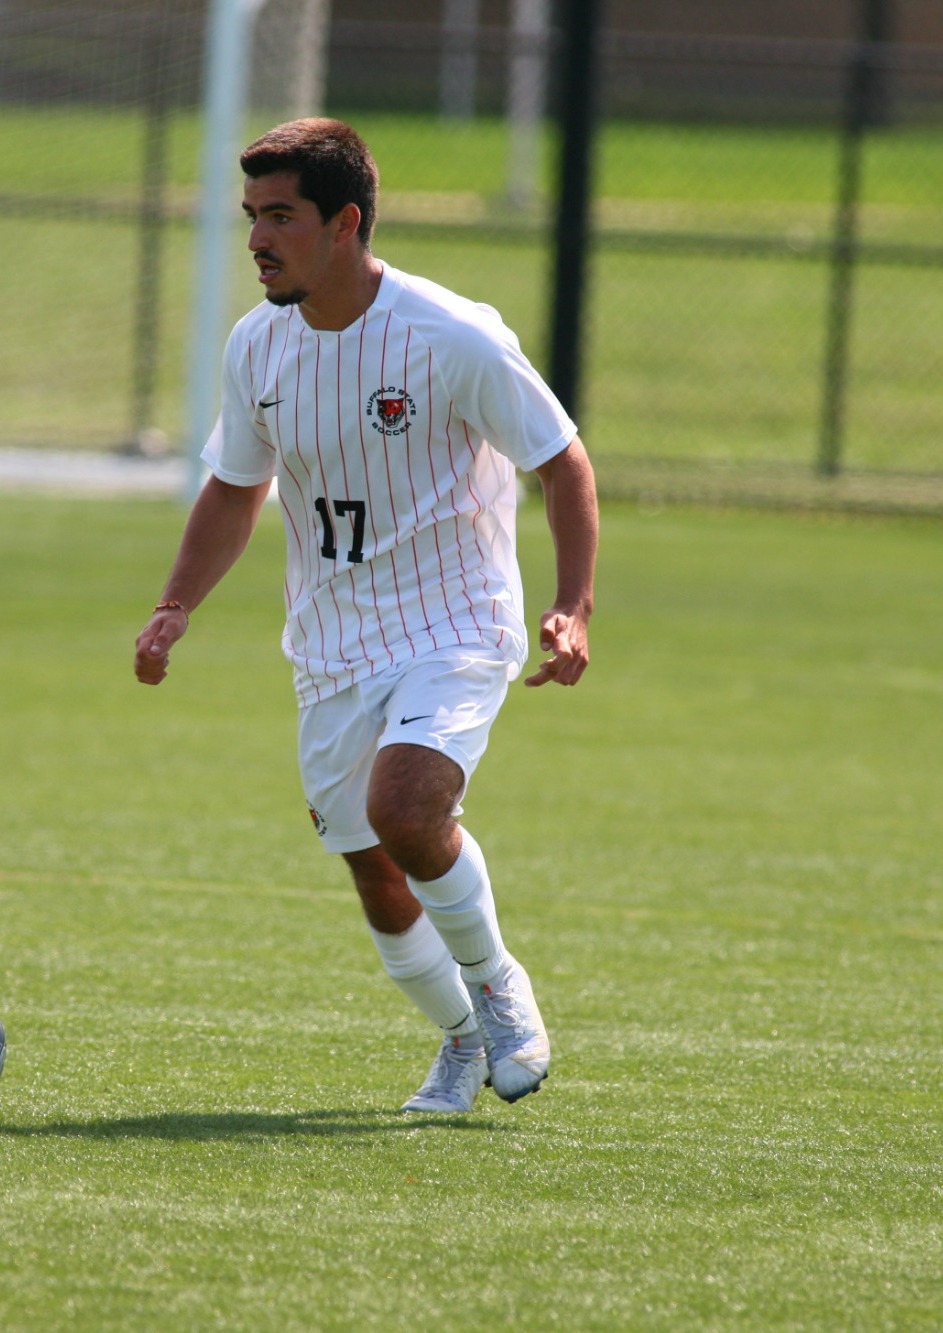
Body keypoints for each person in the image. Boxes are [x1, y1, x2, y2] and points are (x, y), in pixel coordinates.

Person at [133, 119, 597, 1113]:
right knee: (377, 875)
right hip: (332, 642)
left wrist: (571, 606)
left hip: (455, 622)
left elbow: (560, 458)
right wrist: (175, 605)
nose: (257, 238)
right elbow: (231, 488)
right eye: (250, 216)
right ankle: (461, 1039)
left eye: (281, 218)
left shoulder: (449, 336)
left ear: (344, 224)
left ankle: (500, 987)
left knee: (406, 809)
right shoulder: (257, 345)